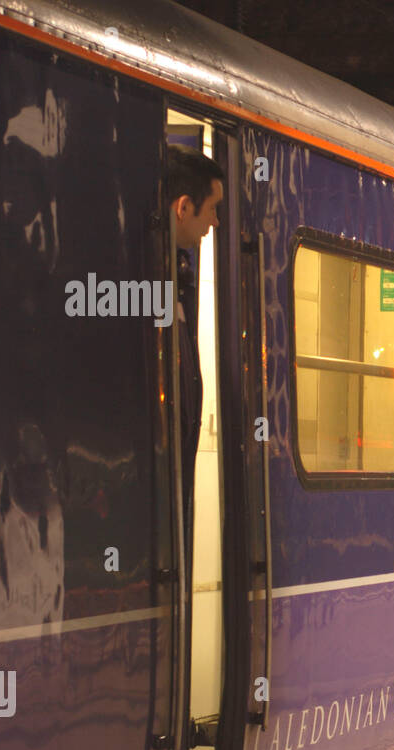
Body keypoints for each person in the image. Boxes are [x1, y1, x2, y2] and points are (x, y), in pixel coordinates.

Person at [165, 145, 223, 552]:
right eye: (212, 210)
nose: (216, 222)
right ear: (184, 207)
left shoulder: (172, 276)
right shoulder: (154, 283)